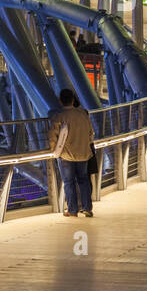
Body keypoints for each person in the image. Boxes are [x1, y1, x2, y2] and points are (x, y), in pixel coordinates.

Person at [47, 88, 96, 217]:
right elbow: (91, 133)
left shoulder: (59, 116)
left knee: (69, 183)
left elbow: (53, 135)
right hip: (83, 154)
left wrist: (53, 151)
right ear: (73, 99)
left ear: (61, 101)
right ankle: (87, 208)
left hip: (66, 156)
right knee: (84, 181)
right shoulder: (83, 115)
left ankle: (72, 210)